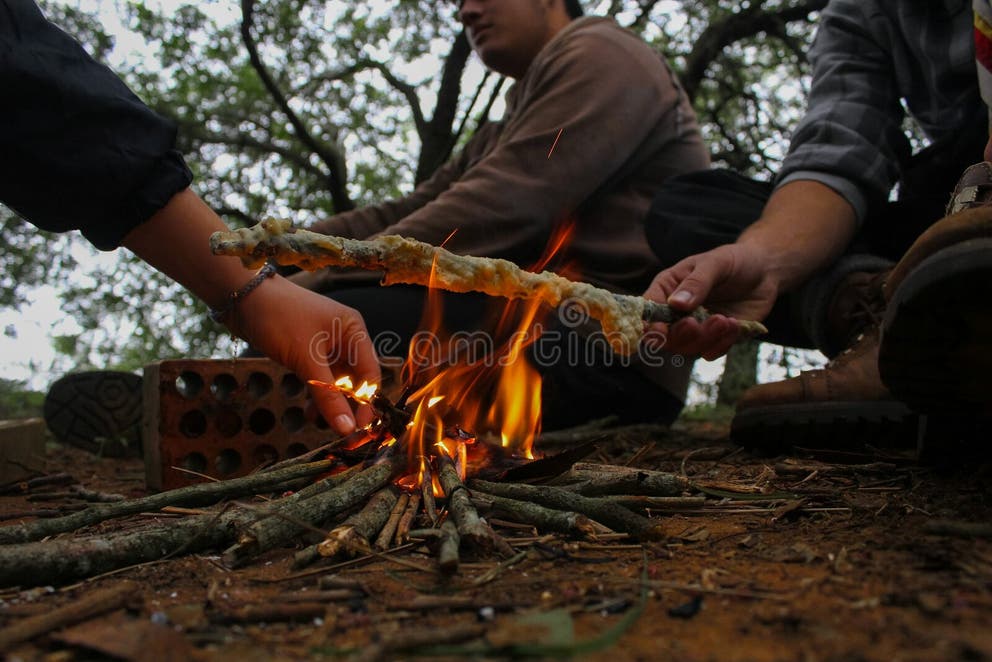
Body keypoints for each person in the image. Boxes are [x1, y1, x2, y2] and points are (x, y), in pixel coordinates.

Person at [290, 0, 711, 429]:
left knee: (322, 325)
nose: (466, 12)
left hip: (607, 352)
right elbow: (415, 205)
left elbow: (507, 203)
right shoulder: (506, 124)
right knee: (299, 320)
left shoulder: (604, 55)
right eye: (458, 2)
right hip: (537, 329)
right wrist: (283, 249)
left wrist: (328, 273)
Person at [0, 0, 379, 442]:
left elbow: (442, 221)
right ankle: (197, 424)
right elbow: (390, 218)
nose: (467, 10)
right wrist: (269, 265)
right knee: (308, 332)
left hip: (470, 322)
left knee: (350, 325)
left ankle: (197, 421)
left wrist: (315, 277)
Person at [641, 0, 991, 447]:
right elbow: (839, 153)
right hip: (948, 213)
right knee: (687, 207)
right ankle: (893, 316)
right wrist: (761, 258)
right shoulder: (860, 13)